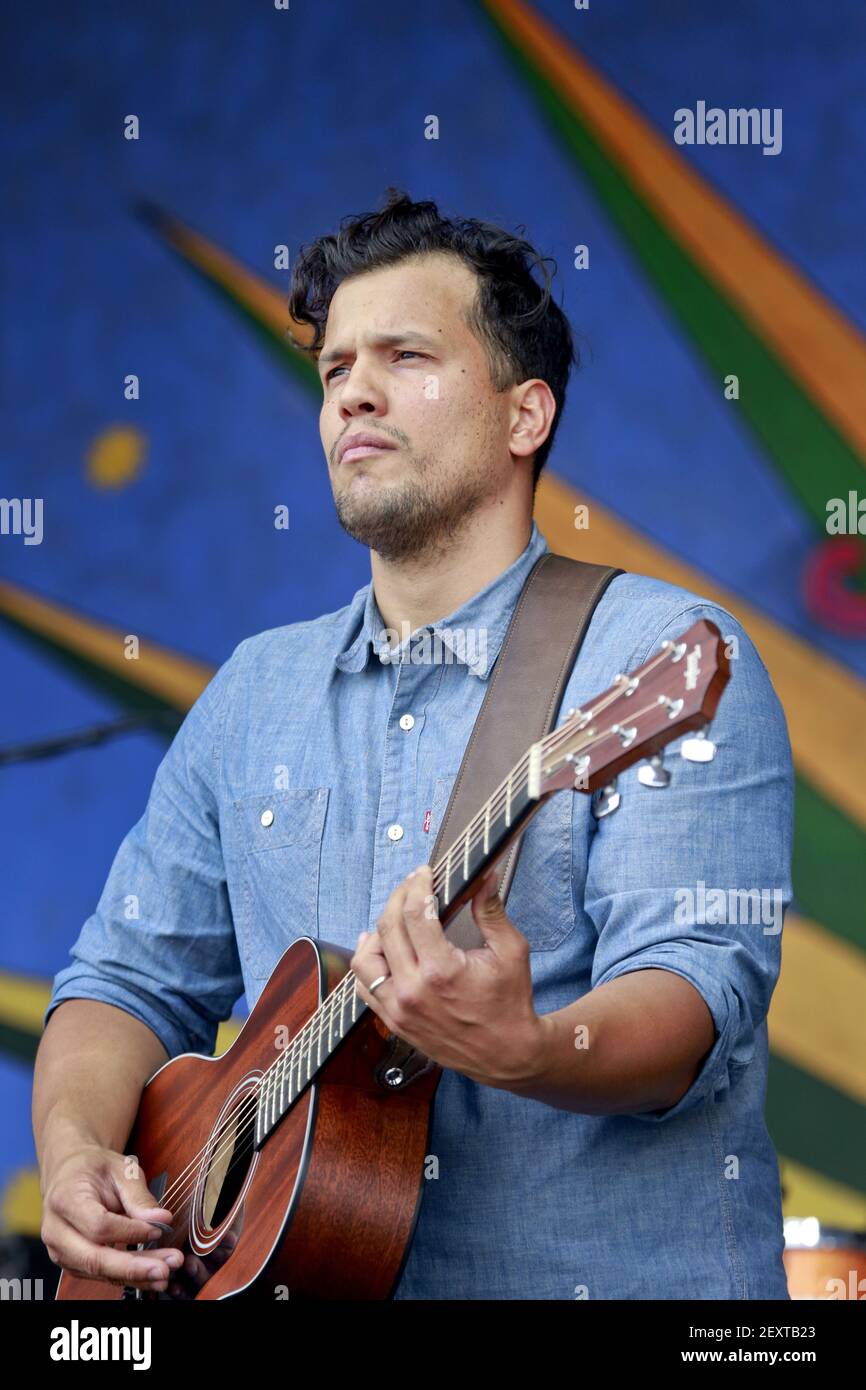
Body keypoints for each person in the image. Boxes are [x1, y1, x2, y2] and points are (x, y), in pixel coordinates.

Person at [33, 190, 793, 1300]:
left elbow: (691, 994)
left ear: (524, 415)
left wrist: (530, 1047)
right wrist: (71, 1152)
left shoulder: (658, 655)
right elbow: (123, 981)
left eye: (405, 356)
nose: (355, 393)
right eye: (335, 368)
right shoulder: (254, 691)